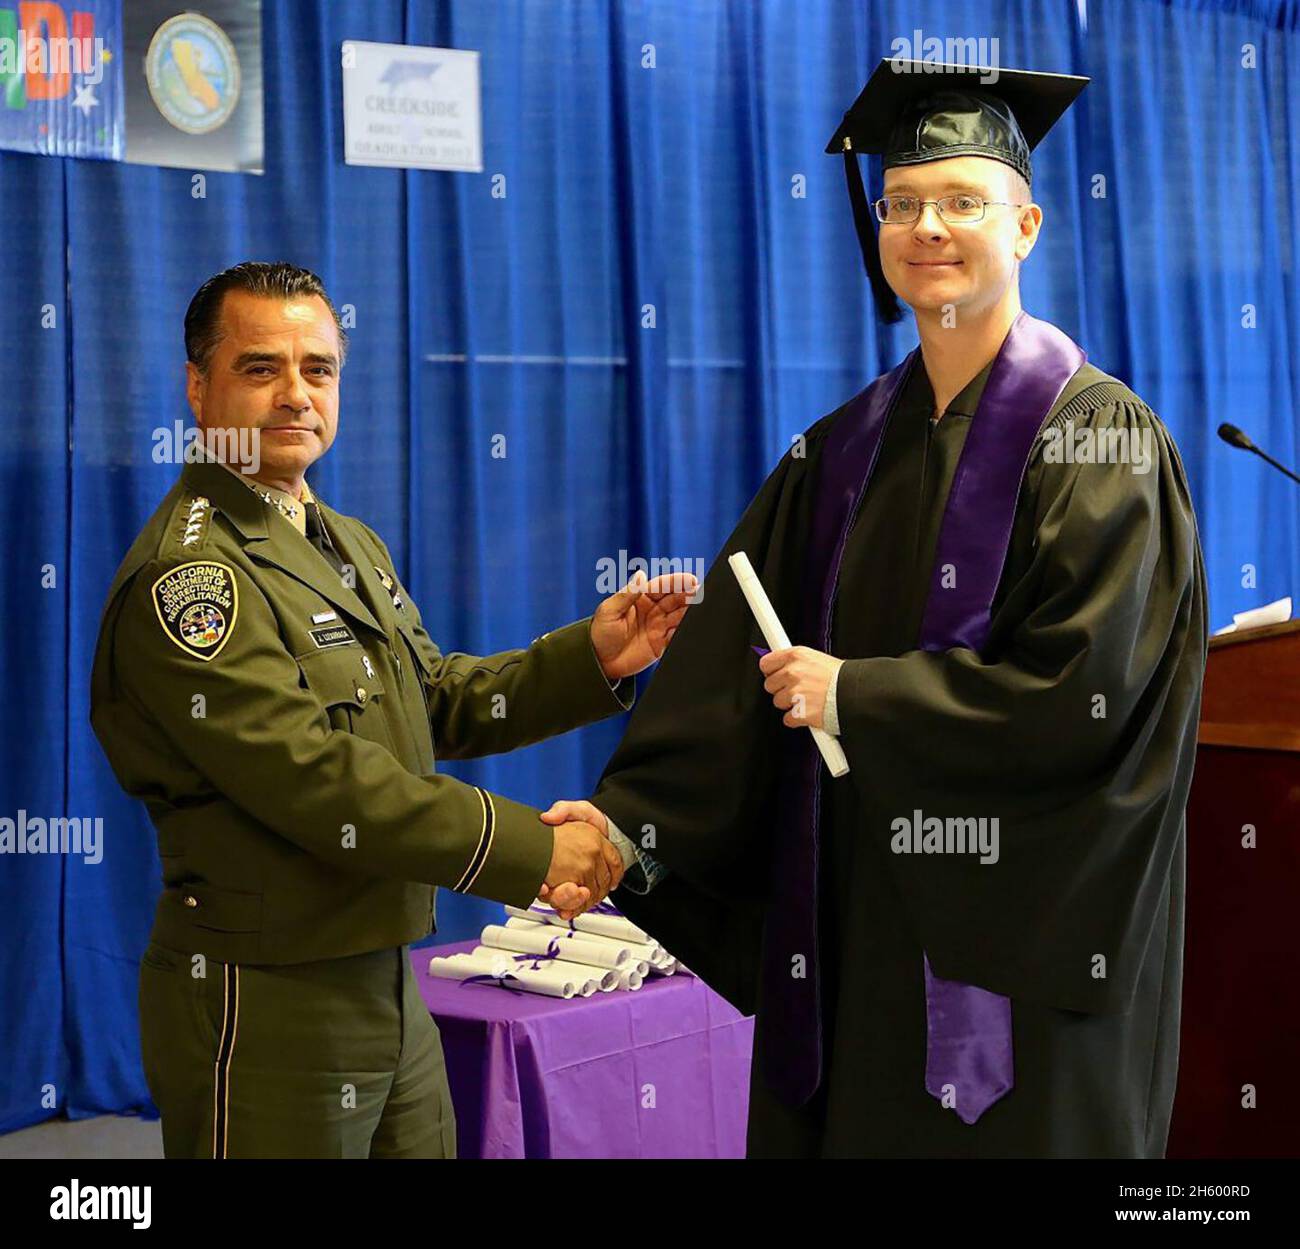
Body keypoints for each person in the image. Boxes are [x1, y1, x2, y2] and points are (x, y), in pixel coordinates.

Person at [542, 60, 1209, 1158]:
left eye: (962, 201)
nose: (926, 227)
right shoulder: (840, 451)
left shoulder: (1101, 445)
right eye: (902, 203)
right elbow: (731, 672)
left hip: (1022, 950)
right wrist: (630, 827)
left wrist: (857, 691)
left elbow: (1082, 694)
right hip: (851, 934)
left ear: (1028, 225)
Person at [89, 261, 693, 1158]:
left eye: (318, 369)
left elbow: (434, 698)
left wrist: (592, 658)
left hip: (391, 980)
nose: (296, 394)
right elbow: (322, 783)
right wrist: (537, 848)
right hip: (267, 997)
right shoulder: (192, 579)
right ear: (197, 386)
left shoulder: (344, 542)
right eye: (261, 368)